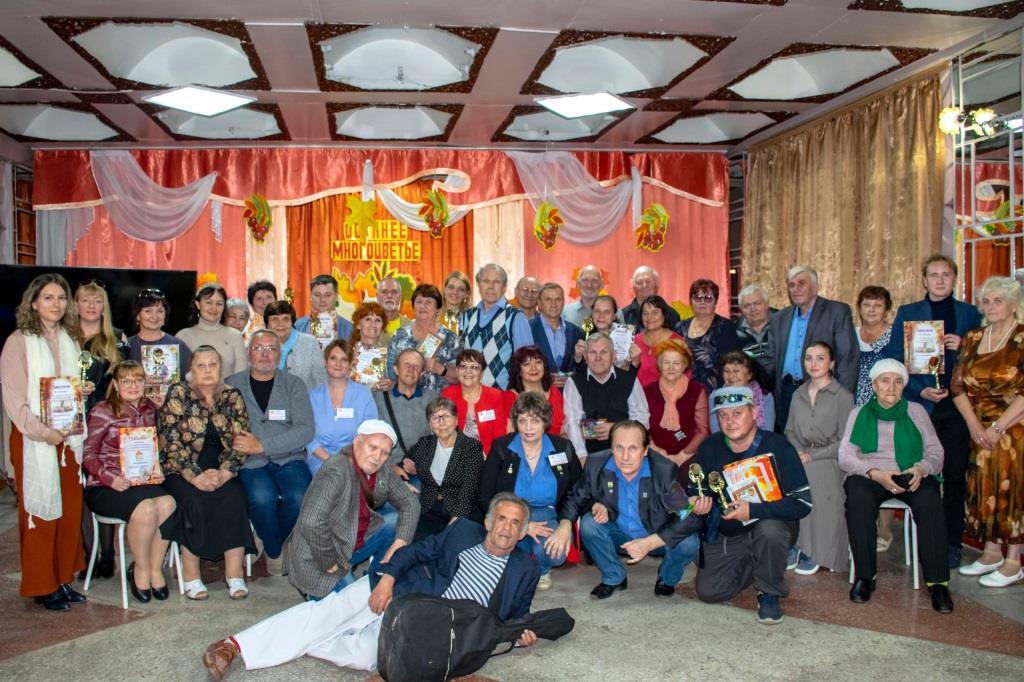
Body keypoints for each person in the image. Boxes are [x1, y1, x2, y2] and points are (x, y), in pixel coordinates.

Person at [202, 494, 540, 678]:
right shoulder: (463, 531)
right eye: (501, 519)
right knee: (328, 613)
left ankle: (299, 640)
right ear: (488, 522)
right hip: (402, 590)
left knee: (366, 657)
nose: (506, 528)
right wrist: (387, 578)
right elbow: (415, 552)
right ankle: (234, 646)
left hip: (428, 629)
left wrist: (520, 636)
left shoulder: (526, 569)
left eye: (515, 523)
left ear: (523, 531)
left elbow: (516, 616)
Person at [1, 273, 94, 610]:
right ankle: (43, 585)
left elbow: (65, 390)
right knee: (41, 512)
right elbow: (15, 403)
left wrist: (81, 392)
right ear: (34, 302)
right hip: (34, 440)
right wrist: (45, 433)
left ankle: (62, 578)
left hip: (67, 440)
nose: (56, 304)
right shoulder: (18, 343)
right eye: (48, 298)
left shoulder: (71, 340)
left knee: (68, 512)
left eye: (61, 298)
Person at [885, 255, 983, 569]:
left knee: (954, 476)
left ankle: (951, 543)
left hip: (957, 407)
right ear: (924, 280)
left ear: (954, 279)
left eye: (946, 275)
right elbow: (895, 358)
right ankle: (925, 541)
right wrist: (919, 390)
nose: (940, 280)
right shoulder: (908, 312)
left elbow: (985, 358)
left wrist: (965, 346)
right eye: (933, 275)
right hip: (920, 405)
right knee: (919, 474)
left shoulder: (970, 314)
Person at [839, 359, 953, 613]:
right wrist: (874, 473)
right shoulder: (859, 413)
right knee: (858, 498)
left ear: (903, 386)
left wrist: (922, 468)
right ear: (874, 385)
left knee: (930, 501)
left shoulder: (916, 411)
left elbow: (936, 452)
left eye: (898, 381)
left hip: (910, 472)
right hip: (873, 474)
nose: (891, 387)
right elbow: (845, 456)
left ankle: (938, 584)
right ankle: (865, 577)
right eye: (885, 380)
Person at [692, 386, 812, 624]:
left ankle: (769, 591)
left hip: (771, 527)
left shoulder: (779, 447)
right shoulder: (709, 447)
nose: (730, 421)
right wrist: (697, 501)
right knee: (709, 592)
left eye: (737, 413)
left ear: (755, 413)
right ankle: (761, 564)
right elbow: (699, 489)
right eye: (723, 415)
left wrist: (754, 510)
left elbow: (802, 503)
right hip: (730, 532)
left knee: (769, 531)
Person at [545, 420, 701, 599]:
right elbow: (575, 497)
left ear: (645, 450)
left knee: (688, 542)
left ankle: (667, 578)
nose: (625, 457)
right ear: (611, 448)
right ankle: (614, 577)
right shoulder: (596, 465)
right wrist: (565, 525)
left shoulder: (664, 472)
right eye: (619, 448)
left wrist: (649, 543)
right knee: (589, 524)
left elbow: (688, 516)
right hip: (619, 534)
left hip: (656, 536)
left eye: (633, 448)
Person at [158, 346, 255, 600]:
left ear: (221, 368)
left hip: (221, 466)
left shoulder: (232, 395)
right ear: (191, 369)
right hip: (182, 467)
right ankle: (191, 575)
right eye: (201, 365)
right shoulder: (178, 393)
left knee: (234, 497)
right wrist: (196, 476)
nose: (208, 370)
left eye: (213, 365)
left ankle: (234, 574)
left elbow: (242, 441)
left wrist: (225, 473)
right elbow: (170, 442)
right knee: (193, 500)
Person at [287, 420, 420, 597]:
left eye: (385, 453)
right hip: (321, 554)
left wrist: (400, 541)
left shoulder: (383, 469)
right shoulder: (337, 469)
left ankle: (375, 576)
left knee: (396, 521)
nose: (377, 457)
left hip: (351, 541)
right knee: (354, 606)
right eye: (372, 447)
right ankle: (315, 590)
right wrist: (328, 561)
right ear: (357, 442)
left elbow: (410, 502)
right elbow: (311, 521)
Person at [83, 360, 177, 603]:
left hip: (143, 482)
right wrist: (110, 478)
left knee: (168, 503)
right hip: (106, 485)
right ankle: (141, 570)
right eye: (126, 381)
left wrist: (158, 469)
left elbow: (164, 444)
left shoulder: (151, 409)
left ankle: (155, 568)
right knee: (146, 509)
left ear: (146, 383)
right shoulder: (103, 411)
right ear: (115, 384)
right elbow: (87, 454)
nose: (133, 386)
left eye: (138, 380)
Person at [952, 276, 1024, 587]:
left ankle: (1013, 561)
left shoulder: (1021, 338)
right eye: (986, 301)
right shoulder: (973, 337)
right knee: (983, 489)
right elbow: (957, 386)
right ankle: (992, 553)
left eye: (998, 300)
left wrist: (997, 427)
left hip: (1014, 430)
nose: (991, 306)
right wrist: (973, 425)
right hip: (978, 428)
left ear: (1014, 304)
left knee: (1011, 492)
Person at [226, 330, 316, 577]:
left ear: (280, 354)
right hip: (250, 461)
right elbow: (223, 427)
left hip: (290, 457)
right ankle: (275, 552)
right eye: (258, 348)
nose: (265, 354)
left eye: (271, 349)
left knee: (299, 498)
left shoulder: (294, 384)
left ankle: (267, 537)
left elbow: (306, 429)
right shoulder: (231, 384)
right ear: (249, 353)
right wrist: (246, 448)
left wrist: (263, 445)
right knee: (261, 498)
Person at [481, 392, 582, 590]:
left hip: (547, 512)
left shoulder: (562, 447)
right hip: (511, 513)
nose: (528, 428)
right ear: (515, 422)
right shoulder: (502, 447)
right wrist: (524, 527)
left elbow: (578, 490)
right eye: (522, 421)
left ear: (545, 422)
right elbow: (485, 493)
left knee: (555, 553)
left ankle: (541, 569)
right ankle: (526, 563)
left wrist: (565, 524)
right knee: (509, 546)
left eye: (535, 421)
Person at [784, 341, 854, 575]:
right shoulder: (798, 394)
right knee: (789, 477)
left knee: (812, 475)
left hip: (831, 457)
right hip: (802, 454)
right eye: (808, 358)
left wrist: (812, 455)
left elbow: (846, 441)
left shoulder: (842, 396)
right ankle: (797, 543)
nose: (813, 363)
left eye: (820, 358)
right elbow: (790, 431)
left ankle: (817, 553)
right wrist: (798, 452)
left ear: (831, 363)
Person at [74, 279, 123, 578]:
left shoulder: (117, 338)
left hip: (104, 425)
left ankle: (107, 555)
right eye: (85, 300)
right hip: (69, 423)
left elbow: (125, 383)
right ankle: (86, 554)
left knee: (101, 484)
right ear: (75, 304)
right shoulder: (63, 337)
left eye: (97, 300)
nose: (91, 306)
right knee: (78, 491)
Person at [771, 265, 859, 431]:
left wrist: (839, 398)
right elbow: (771, 360)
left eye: (801, 283)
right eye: (792, 285)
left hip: (823, 392)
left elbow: (848, 358)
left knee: (821, 440)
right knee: (788, 440)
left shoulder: (837, 311)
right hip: (786, 392)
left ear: (816, 287)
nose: (796, 289)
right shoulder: (779, 318)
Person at [405, 396, 484, 540]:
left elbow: (469, 489)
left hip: (461, 509)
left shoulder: (471, 447)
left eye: (446, 416)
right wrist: (402, 481)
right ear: (430, 423)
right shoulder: (424, 444)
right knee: (417, 546)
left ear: (456, 420)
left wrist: (456, 521)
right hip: (429, 508)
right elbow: (402, 465)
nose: (441, 423)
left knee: (451, 546)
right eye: (435, 417)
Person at [563, 333, 650, 459]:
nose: (598, 358)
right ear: (585, 356)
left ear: (614, 355)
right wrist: (582, 457)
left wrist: (617, 429)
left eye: (604, 352)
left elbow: (642, 419)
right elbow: (572, 423)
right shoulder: (574, 382)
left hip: (626, 451)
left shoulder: (629, 380)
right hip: (588, 454)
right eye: (592, 352)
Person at [306, 341, 378, 476]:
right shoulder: (312, 397)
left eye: (344, 359)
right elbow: (308, 437)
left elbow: (370, 433)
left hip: (355, 460)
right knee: (333, 479)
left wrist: (351, 461)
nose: (338, 364)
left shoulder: (364, 394)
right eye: (333, 358)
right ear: (325, 362)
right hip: (320, 460)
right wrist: (331, 461)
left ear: (351, 364)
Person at [460, 263, 533, 389]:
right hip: (469, 393)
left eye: (496, 282)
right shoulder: (466, 316)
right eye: (486, 281)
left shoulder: (515, 317)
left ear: (504, 287)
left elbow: (528, 363)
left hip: (502, 395)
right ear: (479, 285)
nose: (490, 286)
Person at [374, 349, 438, 476]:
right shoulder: (379, 398)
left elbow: (439, 439)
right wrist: (389, 467)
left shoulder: (433, 399)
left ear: (422, 373)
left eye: (416, 366)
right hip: (386, 468)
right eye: (406, 365)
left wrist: (421, 468)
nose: (411, 370)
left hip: (422, 469)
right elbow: (372, 438)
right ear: (396, 369)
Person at [643, 339, 707, 466]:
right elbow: (642, 427)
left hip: (689, 456)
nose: (671, 367)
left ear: (684, 365)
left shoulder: (697, 390)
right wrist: (657, 451)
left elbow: (702, 431)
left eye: (676, 363)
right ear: (659, 365)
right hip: (655, 456)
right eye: (666, 362)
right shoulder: (647, 391)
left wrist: (681, 457)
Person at [387, 284, 459, 393]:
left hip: (440, 400)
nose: (423, 306)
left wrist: (439, 369)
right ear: (413, 307)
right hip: (404, 399)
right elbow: (390, 371)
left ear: (438, 309)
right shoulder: (400, 334)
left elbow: (461, 377)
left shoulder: (451, 338)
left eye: (428, 302)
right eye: (419, 302)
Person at [125, 288, 192, 403]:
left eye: (160, 311)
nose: (154, 316)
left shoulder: (177, 345)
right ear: (137, 315)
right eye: (148, 311)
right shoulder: (127, 346)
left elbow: (192, 381)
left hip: (172, 408)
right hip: (134, 408)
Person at [677, 279, 741, 393]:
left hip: (716, 393)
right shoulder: (680, 327)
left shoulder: (725, 327)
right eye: (697, 298)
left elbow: (735, 363)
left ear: (715, 301)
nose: (702, 302)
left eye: (708, 298)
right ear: (690, 301)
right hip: (684, 392)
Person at [441, 349, 509, 455]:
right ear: (457, 371)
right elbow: (443, 429)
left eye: (474, 367)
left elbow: (500, 436)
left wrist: (491, 458)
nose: (468, 371)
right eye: (463, 366)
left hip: (487, 456)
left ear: (482, 373)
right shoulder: (448, 394)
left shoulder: (495, 396)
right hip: (453, 456)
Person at [176, 282, 248, 377]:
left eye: (219, 304)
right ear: (198, 304)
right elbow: (178, 376)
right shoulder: (183, 336)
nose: (214, 308)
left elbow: (241, 377)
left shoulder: (235, 336)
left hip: (230, 387)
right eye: (209, 302)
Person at [264, 300, 327, 390]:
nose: (280, 324)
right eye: (275, 319)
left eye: (286, 319)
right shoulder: (259, 345)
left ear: (292, 322)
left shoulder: (310, 343)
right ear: (267, 324)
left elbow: (321, 381)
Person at [505, 345, 565, 436]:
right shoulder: (509, 397)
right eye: (527, 364)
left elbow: (564, 429)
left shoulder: (555, 392)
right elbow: (510, 435)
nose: (534, 368)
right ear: (519, 370)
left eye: (538, 362)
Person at [529, 282, 583, 383]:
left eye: (558, 299)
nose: (553, 304)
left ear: (563, 302)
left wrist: (571, 378)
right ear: (539, 303)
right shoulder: (527, 328)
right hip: (536, 390)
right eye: (548, 299)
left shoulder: (575, 331)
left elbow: (580, 366)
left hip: (567, 391)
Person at [710, 351, 775, 432]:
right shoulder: (715, 396)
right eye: (727, 371)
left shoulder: (765, 396)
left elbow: (768, 432)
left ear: (749, 374)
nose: (731, 376)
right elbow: (716, 432)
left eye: (736, 371)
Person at [572, 294, 638, 371]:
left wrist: (634, 364)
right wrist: (578, 359)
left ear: (614, 316)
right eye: (597, 311)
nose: (601, 316)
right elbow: (581, 374)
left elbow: (630, 375)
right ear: (592, 314)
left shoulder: (626, 340)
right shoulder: (583, 339)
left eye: (606, 312)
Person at [630, 295, 684, 388]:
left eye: (655, 312)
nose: (649, 317)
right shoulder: (633, 341)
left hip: (667, 395)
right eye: (645, 313)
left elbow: (685, 376)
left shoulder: (677, 343)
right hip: (636, 395)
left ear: (664, 314)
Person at [854, 286, 893, 406]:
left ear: (886, 310)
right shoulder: (851, 335)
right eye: (866, 305)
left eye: (878, 305)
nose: (871, 310)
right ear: (859, 308)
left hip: (886, 404)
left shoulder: (895, 335)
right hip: (854, 405)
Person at [296, 274, 354, 348]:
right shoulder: (298, 326)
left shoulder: (350, 329)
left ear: (336, 297)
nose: (322, 300)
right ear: (310, 296)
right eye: (317, 295)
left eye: (327, 295)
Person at [735, 283, 774, 391]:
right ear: (740, 309)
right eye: (747, 306)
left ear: (766, 303)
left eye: (757, 303)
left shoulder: (783, 322)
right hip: (749, 391)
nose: (753, 309)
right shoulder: (734, 330)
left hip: (781, 387)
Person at [621, 266, 680, 331]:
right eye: (639, 282)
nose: (644, 285)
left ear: (657, 284)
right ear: (633, 287)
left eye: (648, 281)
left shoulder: (671, 314)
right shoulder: (623, 315)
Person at [350, 301, 392, 390]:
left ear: (382, 327)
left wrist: (390, 384)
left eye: (378, 320)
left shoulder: (389, 355)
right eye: (368, 319)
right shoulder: (346, 351)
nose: (373, 325)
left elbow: (397, 382)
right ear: (358, 325)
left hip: (378, 397)